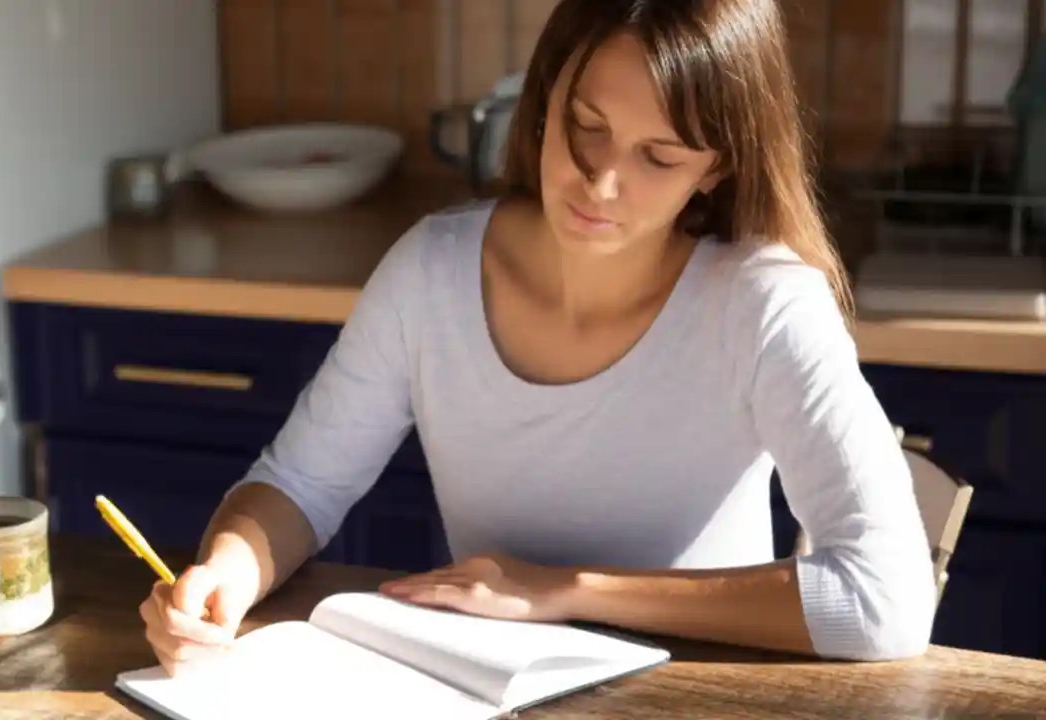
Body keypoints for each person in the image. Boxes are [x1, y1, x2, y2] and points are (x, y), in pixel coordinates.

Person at [139, 0, 936, 675]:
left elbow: (885, 598)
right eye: (585, 127)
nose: (603, 181)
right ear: (542, 99)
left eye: (659, 155)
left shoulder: (764, 305)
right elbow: (301, 485)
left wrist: (565, 588)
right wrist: (227, 572)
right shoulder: (431, 272)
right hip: (489, 692)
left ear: (716, 169)